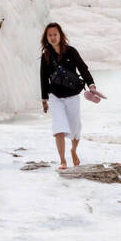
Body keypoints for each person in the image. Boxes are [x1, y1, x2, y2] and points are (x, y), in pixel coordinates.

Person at [40, 23, 99, 169]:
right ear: (46, 38)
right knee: (59, 127)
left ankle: (73, 150)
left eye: (55, 34)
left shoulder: (71, 52)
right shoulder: (46, 55)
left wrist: (91, 85)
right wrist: (44, 99)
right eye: (50, 35)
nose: (53, 37)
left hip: (72, 95)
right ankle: (62, 161)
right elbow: (43, 78)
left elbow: (83, 68)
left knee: (75, 128)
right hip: (55, 96)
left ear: (60, 35)